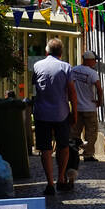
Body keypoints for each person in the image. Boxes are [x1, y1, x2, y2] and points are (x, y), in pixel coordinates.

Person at [32, 38, 78, 196]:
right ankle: (61, 179)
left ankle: (50, 182)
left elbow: (36, 88)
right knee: (63, 146)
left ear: (46, 52)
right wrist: (75, 112)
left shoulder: (37, 66)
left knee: (45, 149)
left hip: (42, 113)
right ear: (61, 53)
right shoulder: (66, 67)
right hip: (61, 113)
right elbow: (72, 92)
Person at [69, 49, 103, 162]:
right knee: (91, 132)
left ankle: (72, 151)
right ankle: (88, 154)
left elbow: (69, 86)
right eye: (94, 60)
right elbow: (99, 88)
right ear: (89, 60)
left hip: (76, 107)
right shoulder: (92, 73)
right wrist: (100, 101)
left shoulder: (73, 70)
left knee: (75, 131)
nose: (95, 62)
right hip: (89, 107)